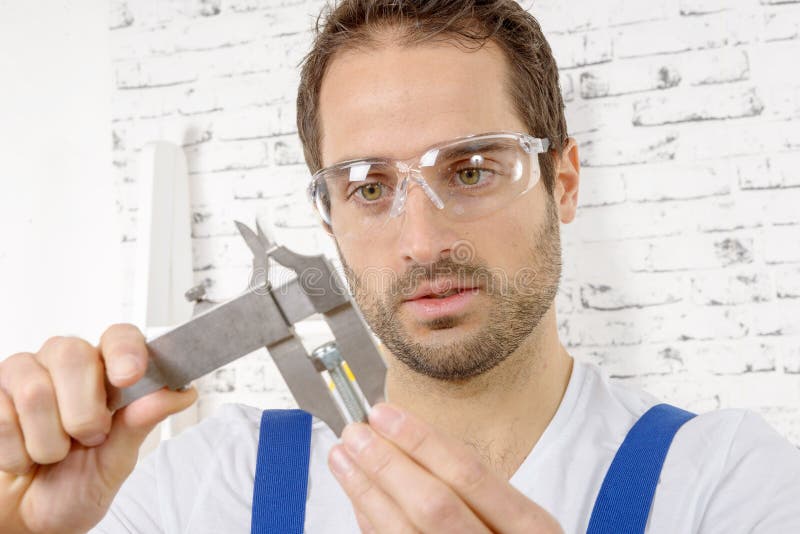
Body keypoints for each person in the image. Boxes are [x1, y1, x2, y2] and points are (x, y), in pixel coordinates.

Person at [2, 1, 799, 532]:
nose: (420, 240)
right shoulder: (201, 488)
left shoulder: (725, 484)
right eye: (370, 186)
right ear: (329, 218)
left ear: (564, 181)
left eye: (473, 170)